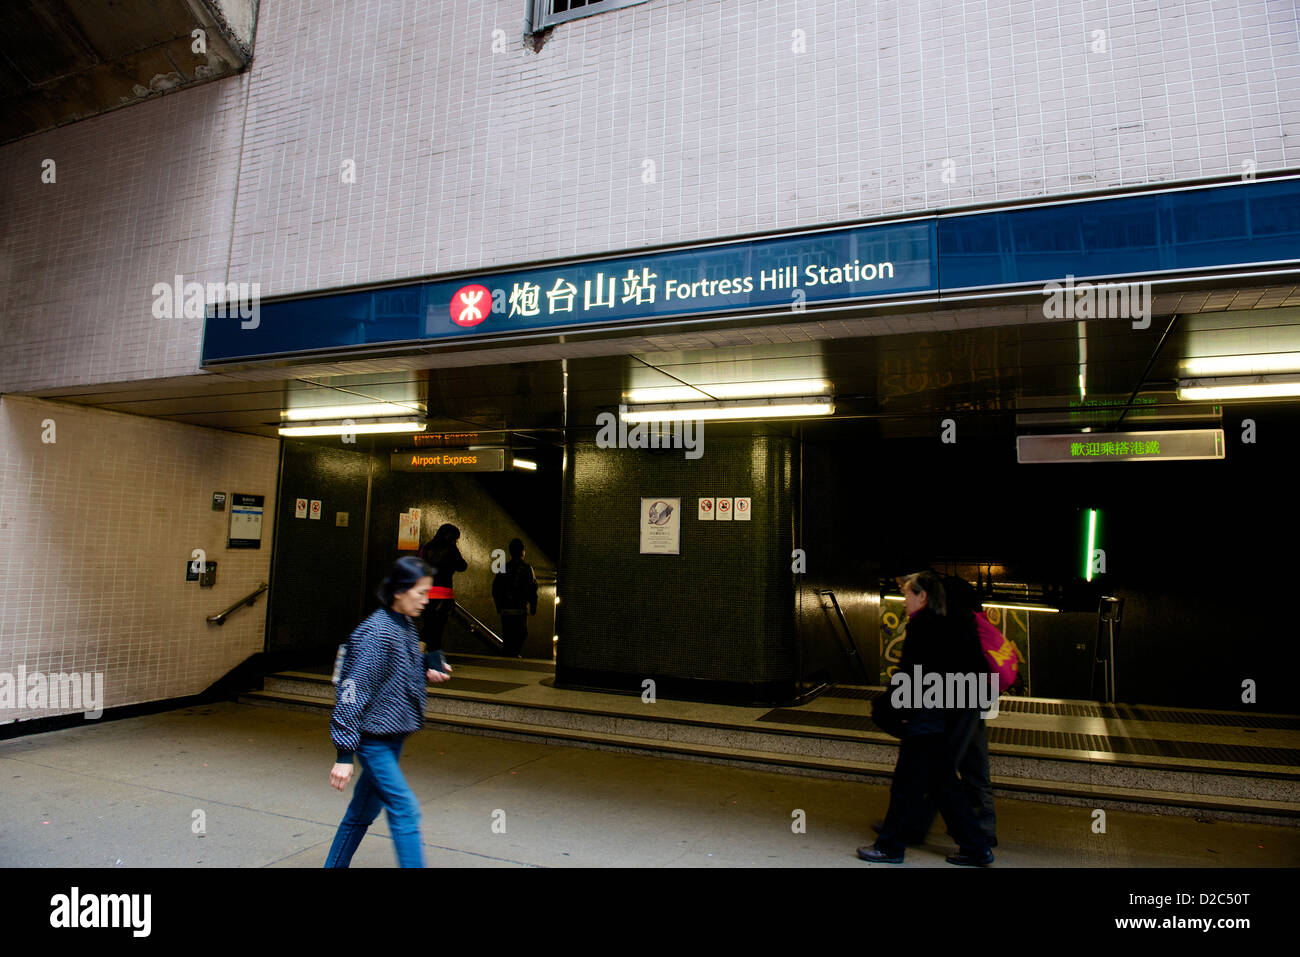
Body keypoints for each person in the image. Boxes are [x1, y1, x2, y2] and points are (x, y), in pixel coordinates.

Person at [858, 571, 994, 866]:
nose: (903, 600)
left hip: (926, 716)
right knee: (943, 783)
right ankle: (976, 846)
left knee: (907, 783)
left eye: (907, 594)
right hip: (948, 712)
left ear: (922, 596)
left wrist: (892, 709)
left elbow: (911, 674)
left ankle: (891, 846)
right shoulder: (950, 621)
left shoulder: (925, 626)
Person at [324, 557, 451, 868]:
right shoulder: (377, 633)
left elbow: (395, 675)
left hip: (391, 738)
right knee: (405, 810)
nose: (426, 600)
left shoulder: (404, 625)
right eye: (420, 593)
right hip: (374, 741)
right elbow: (352, 691)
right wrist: (344, 755)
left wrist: (428, 666)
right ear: (399, 591)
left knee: (361, 814)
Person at [418, 523, 468, 654]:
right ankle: (425, 648)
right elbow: (463, 566)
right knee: (437, 628)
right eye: (456, 539)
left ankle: (424, 648)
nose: (456, 541)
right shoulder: (451, 549)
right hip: (442, 595)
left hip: (424, 593)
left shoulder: (425, 547)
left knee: (429, 624)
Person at [492, 538, 538, 657]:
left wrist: (499, 606)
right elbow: (532, 588)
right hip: (520, 608)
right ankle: (514, 654)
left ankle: (508, 655)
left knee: (508, 635)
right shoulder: (527, 568)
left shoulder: (504, 568)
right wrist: (533, 606)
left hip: (506, 609)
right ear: (523, 552)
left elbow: (496, 588)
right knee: (521, 633)